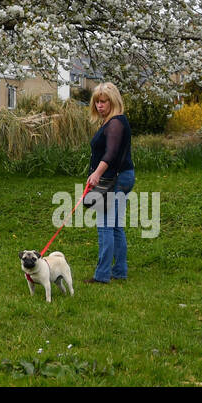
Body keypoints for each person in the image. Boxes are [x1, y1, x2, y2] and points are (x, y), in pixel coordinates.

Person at [83, 82, 136, 284]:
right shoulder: (112, 122)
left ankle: (102, 275)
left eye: (103, 101)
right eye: (97, 101)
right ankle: (120, 271)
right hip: (123, 176)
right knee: (115, 227)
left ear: (113, 101)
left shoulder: (115, 123)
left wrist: (96, 174)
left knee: (105, 226)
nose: (99, 105)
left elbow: (111, 154)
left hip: (115, 178)